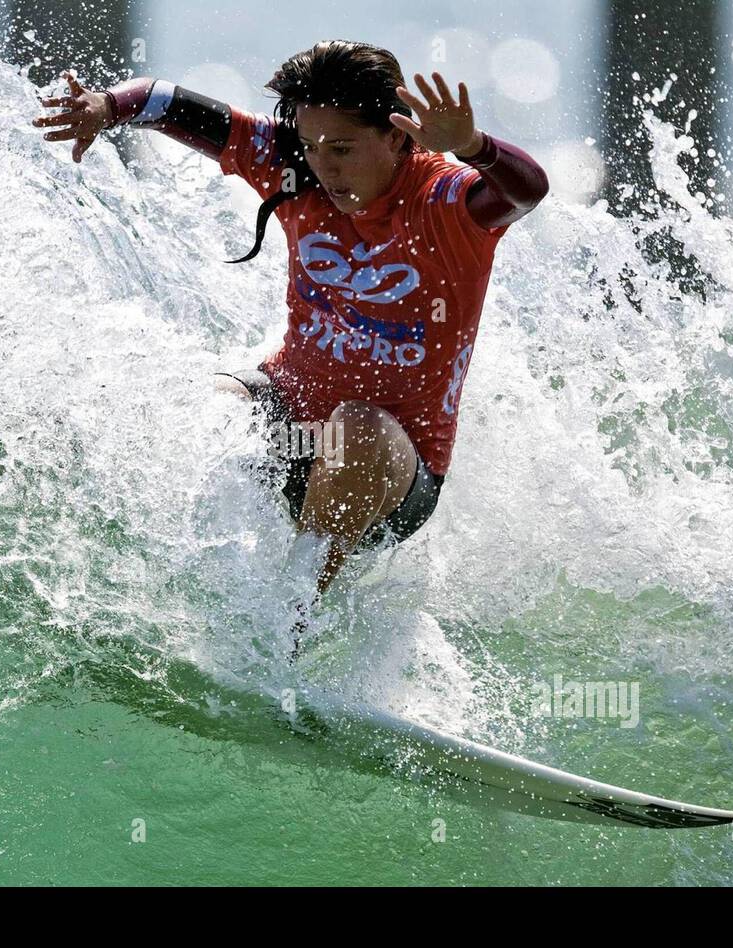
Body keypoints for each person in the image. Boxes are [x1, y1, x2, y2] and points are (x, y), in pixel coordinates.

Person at [33, 40, 548, 611]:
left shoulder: (445, 201)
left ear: (398, 137)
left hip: (391, 471)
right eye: (310, 145)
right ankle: (138, 598)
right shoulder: (292, 168)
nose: (324, 165)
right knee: (206, 406)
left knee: (355, 427)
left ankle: (285, 629)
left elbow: (526, 191)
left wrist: (475, 148)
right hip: (293, 436)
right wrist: (107, 107)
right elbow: (165, 101)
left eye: (344, 148)